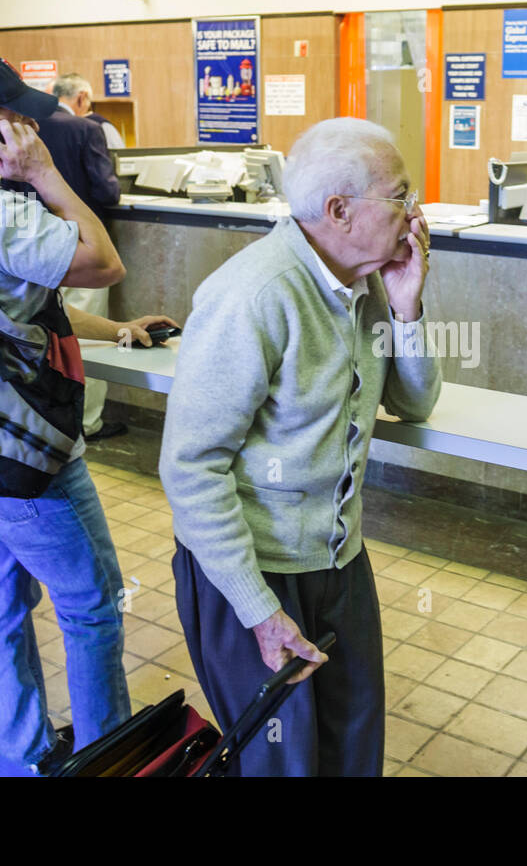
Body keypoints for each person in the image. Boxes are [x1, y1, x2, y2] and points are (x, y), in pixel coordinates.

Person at [0, 50, 175, 771]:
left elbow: (11, 308)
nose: (27, 128)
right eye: (14, 118)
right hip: (30, 457)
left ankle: (17, 749)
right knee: (92, 604)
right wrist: (45, 175)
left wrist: (113, 329)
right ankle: (106, 755)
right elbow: (102, 262)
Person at [160, 118, 441, 776]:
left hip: (338, 560)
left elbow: (414, 401)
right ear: (340, 211)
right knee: (280, 762)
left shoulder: (366, 282)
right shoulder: (254, 296)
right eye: (400, 195)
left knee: (353, 743)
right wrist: (260, 611)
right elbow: (190, 468)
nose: (414, 213)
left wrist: (407, 309)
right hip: (251, 576)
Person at [34, 73, 125, 441]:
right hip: (80, 244)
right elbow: (107, 192)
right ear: (83, 98)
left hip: (34, 244)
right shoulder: (85, 129)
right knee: (88, 333)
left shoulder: (27, 128)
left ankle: (58, 416)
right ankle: (87, 421)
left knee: (47, 325)